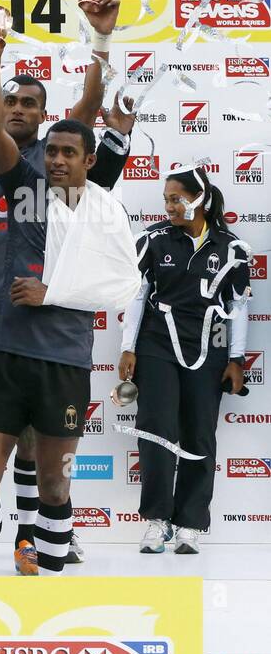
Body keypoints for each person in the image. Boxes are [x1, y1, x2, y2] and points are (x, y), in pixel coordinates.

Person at [0, 0, 131, 573]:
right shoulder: (20, 182)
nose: (59, 160)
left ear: (86, 159)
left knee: (53, 480)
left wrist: (100, 41)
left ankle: (41, 557)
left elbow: (121, 284)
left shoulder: (100, 206)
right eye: (56, 153)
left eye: (71, 152)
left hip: (63, 354)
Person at [120, 165, 252, 555]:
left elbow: (239, 306)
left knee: (199, 432)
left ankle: (190, 524)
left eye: (176, 198)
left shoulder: (232, 249)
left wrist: (237, 359)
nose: (169, 206)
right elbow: (136, 295)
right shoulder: (153, 240)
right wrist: (128, 347)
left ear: (200, 199)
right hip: (156, 344)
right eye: (166, 199)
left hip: (209, 348)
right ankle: (157, 520)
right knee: (156, 428)